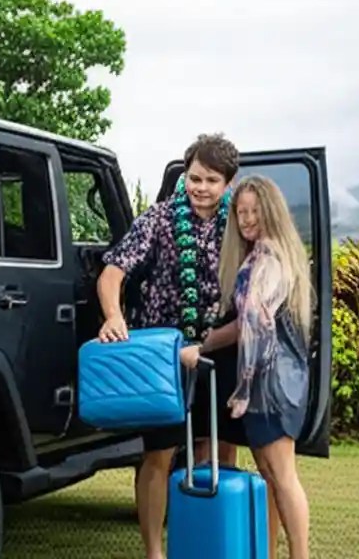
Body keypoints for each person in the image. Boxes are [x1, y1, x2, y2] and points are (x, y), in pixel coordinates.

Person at [95, 133, 245, 559]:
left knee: (219, 449)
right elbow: (111, 274)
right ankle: (154, 552)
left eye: (211, 180)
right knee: (158, 456)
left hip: (218, 354)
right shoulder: (158, 220)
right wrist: (114, 315)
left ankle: (211, 541)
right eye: (195, 178)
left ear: (228, 183)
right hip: (163, 359)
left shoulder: (240, 225)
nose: (201, 188)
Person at [180, 174, 314, 559]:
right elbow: (243, 326)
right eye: (241, 213)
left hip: (270, 386)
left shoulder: (268, 257)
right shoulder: (266, 255)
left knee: (282, 477)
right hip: (274, 384)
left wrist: (241, 387)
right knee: (272, 478)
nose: (248, 219)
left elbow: (254, 323)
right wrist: (202, 345)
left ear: (270, 212)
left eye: (255, 211)